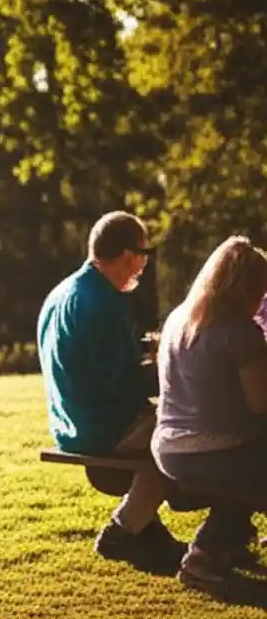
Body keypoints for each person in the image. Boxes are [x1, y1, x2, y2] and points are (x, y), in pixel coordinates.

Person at [36, 211, 184, 569]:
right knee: (185, 435)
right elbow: (123, 386)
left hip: (68, 424)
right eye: (144, 256)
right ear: (128, 255)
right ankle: (125, 530)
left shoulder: (63, 292)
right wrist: (173, 366)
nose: (143, 267)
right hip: (103, 426)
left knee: (173, 429)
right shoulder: (103, 302)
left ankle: (147, 532)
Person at [153, 236, 267, 595]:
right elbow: (261, 404)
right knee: (255, 465)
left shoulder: (178, 319)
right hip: (212, 452)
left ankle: (230, 543)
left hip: (167, 447)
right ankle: (202, 557)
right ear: (247, 288)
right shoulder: (241, 333)